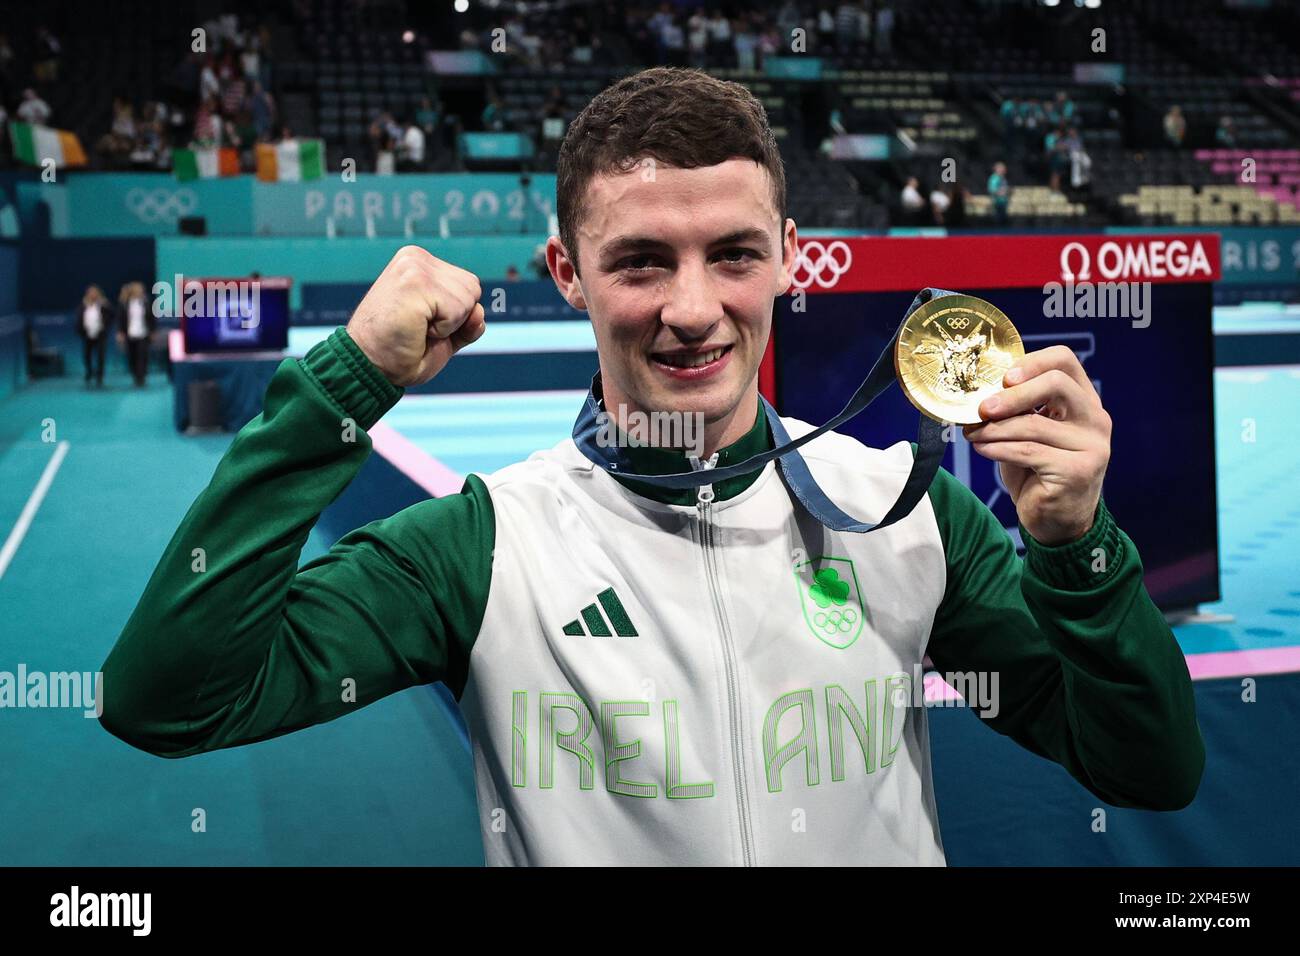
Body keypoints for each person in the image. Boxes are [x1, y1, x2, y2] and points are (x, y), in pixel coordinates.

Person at [100, 67, 1203, 867]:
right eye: (638, 261)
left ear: (787, 257)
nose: (691, 308)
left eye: (732, 254)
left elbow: (1147, 769)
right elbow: (168, 699)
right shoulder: (481, 545)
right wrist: (339, 386)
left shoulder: (910, 515)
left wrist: (1077, 550)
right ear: (566, 273)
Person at [117, 281, 155, 387]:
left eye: (141, 290)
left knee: (142, 356)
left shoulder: (146, 303)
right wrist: (120, 332)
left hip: (143, 334)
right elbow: (120, 319)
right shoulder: (125, 304)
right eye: (137, 290)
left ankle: (141, 377)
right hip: (130, 334)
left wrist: (152, 331)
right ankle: (135, 375)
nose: (140, 292)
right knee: (132, 356)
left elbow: (152, 318)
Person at [77, 285, 113, 387]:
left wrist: (106, 305)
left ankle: (100, 376)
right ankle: (89, 372)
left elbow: (112, 315)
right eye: (90, 293)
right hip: (87, 335)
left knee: (101, 356)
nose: (93, 295)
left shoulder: (103, 304)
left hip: (100, 334)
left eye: (95, 293)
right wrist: (81, 331)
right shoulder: (83, 304)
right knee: (87, 355)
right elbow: (79, 319)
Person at [987, 161, 1010, 225]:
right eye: (1001, 169)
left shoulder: (1002, 178)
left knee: (1003, 218)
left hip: (1003, 201)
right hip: (997, 201)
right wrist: (1001, 192)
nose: (1003, 170)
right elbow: (992, 189)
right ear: (996, 169)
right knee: (999, 219)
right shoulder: (995, 178)